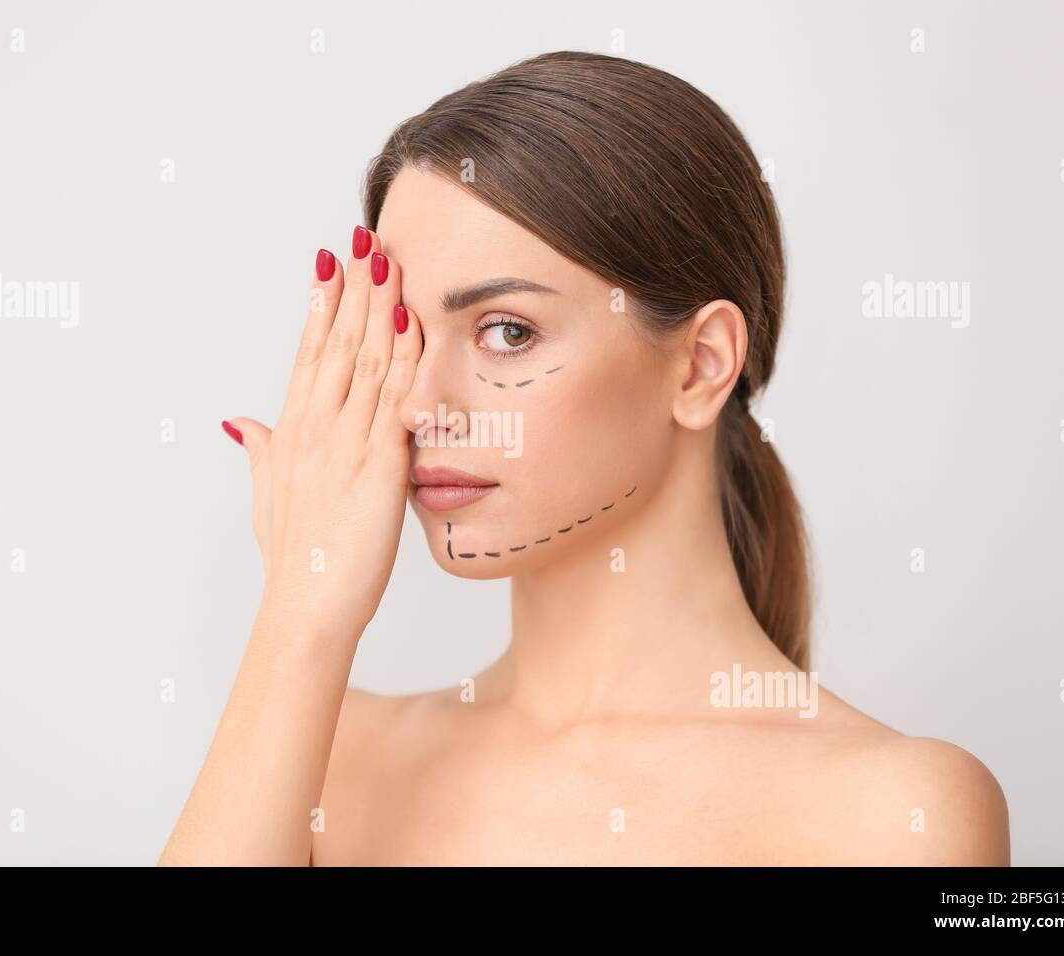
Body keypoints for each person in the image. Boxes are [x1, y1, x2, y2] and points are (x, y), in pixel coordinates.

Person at [159, 51, 1010, 866]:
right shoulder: (329, 758)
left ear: (702, 362)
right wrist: (300, 618)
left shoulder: (898, 812)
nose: (417, 407)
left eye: (507, 332)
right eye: (407, 336)